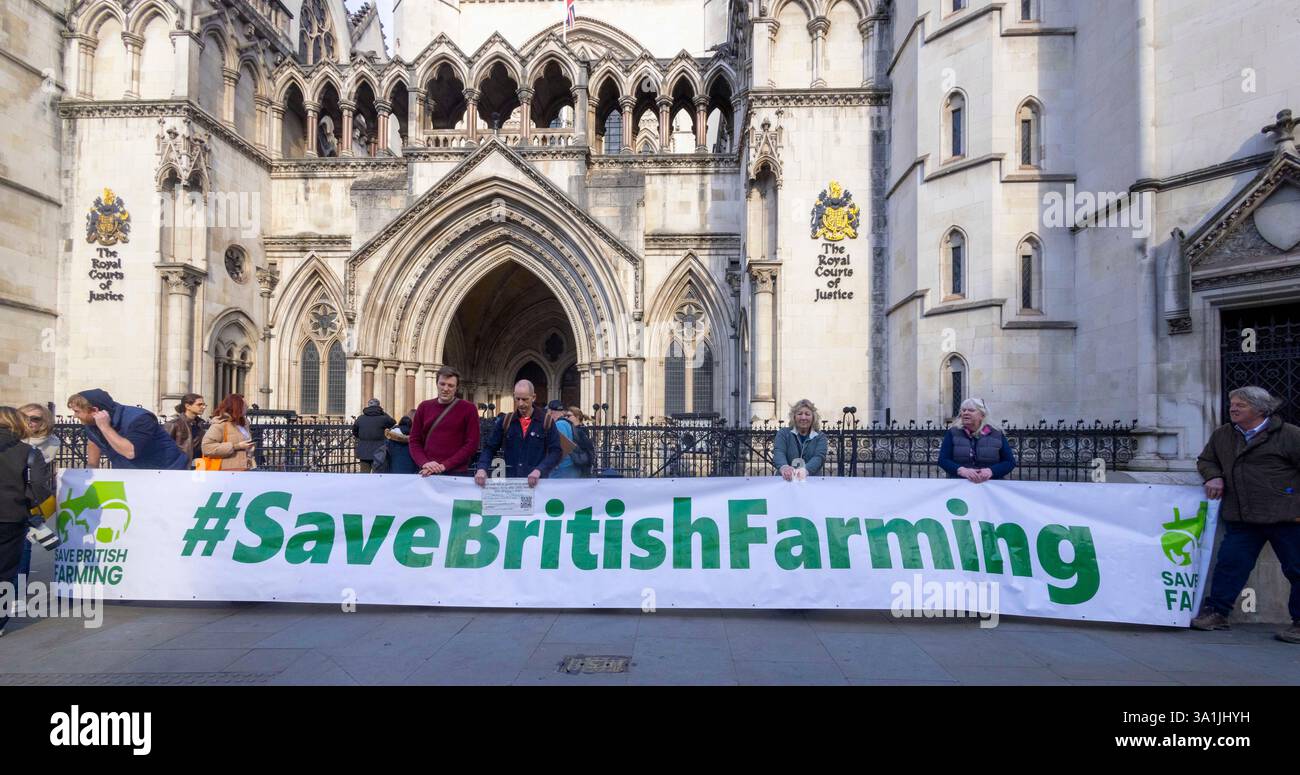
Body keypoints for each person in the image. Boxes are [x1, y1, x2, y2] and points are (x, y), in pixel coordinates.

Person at [1191, 386, 1300, 644]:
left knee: (1297, 569)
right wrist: (1214, 476)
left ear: (1261, 409)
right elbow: (1206, 460)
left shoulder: (1290, 435)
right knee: (1230, 565)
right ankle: (1217, 612)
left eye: (1241, 404)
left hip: (1285, 516)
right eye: (1232, 404)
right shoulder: (1223, 435)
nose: (1233, 408)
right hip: (1242, 518)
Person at [0, 406, 52, 636]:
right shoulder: (29, 452)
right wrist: (27, 504)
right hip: (11, 517)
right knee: (5, 572)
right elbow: (40, 488)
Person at [68, 389, 189, 470]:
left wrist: (105, 427)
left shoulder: (140, 418)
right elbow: (94, 441)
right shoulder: (92, 423)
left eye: (77, 411)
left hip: (167, 471)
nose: (75, 416)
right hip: (131, 475)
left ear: (94, 410)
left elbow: (130, 452)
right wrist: (91, 468)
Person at [474, 380, 562, 488]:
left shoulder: (546, 421)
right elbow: (490, 448)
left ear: (533, 397)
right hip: (511, 484)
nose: (520, 403)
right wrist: (482, 468)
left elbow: (556, 451)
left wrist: (539, 470)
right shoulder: (505, 421)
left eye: (525, 399)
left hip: (538, 485)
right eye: (517, 399)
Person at [409, 366, 480, 477]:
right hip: (427, 472)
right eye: (442, 384)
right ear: (437, 384)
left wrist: (444, 465)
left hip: (457, 474)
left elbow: (472, 444)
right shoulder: (424, 407)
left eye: (450, 385)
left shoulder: (469, 409)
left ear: (457, 388)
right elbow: (414, 441)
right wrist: (425, 463)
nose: (445, 389)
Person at [16, 403, 60, 581]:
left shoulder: (51, 442)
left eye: (36, 418)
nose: (31, 422)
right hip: (10, 494)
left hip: (27, 499)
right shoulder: (10, 438)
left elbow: (37, 476)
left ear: (44, 421)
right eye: (25, 417)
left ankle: (16, 592)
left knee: (22, 544)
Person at [937, 398, 1017, 482]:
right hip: (959, 485)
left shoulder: (997, 434)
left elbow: (1009, 462)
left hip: (991, 485)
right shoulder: (953, 433)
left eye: (971, 410)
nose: (966, 413)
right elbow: (943, 460)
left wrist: (991, 471)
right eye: (963, 410)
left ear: (982, 415)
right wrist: (961, 470)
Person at [773, 399, 828, 480]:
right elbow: (779, 452)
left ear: (813, 417)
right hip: (786, 480)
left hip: (811, 480)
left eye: (807, 414)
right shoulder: (783, 433)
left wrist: (805, 470)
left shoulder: (820, 437)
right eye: (799, 414)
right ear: (794, 417)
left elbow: (819, 457)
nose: (803, 417)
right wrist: (784, 467)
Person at [200, 394, 257, 471]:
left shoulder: (244, 423)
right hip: (226, 470)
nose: (247, 407)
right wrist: (236, 446)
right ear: (236, 406)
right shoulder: (220, 424)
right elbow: (207, 448)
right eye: (244, 405)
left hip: (244, 468)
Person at [352, 398, 396, 472]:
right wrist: (383, 412)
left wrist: (362, 438)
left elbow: (355, 432)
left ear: (368, 406)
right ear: (379, 406)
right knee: (378, 474)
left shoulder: (360, 418)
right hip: (379, 452)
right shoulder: (383, 419)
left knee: (364, 475)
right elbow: (393, 422)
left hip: (363, 451)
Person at [163, 393, 208, 463]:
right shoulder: (173, 424)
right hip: (179, 467)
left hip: (198, 466)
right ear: (187, 406)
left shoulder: (202, 424)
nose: (203, 407)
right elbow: (164, 448)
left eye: (204, 404)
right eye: (199, 404)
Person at [546, 400, 580, 479]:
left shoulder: (559, 425)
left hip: (562, 467)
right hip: (570, 466)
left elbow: (560, 447)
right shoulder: (567, 423)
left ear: (551, 412)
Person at [565, 406, 597, 478]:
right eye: (565, 416)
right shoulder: (573, 429)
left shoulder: (581, 430)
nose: (566, 418)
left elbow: (586, 448)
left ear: (577, 417)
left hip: (582, 464)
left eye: (569, 416)